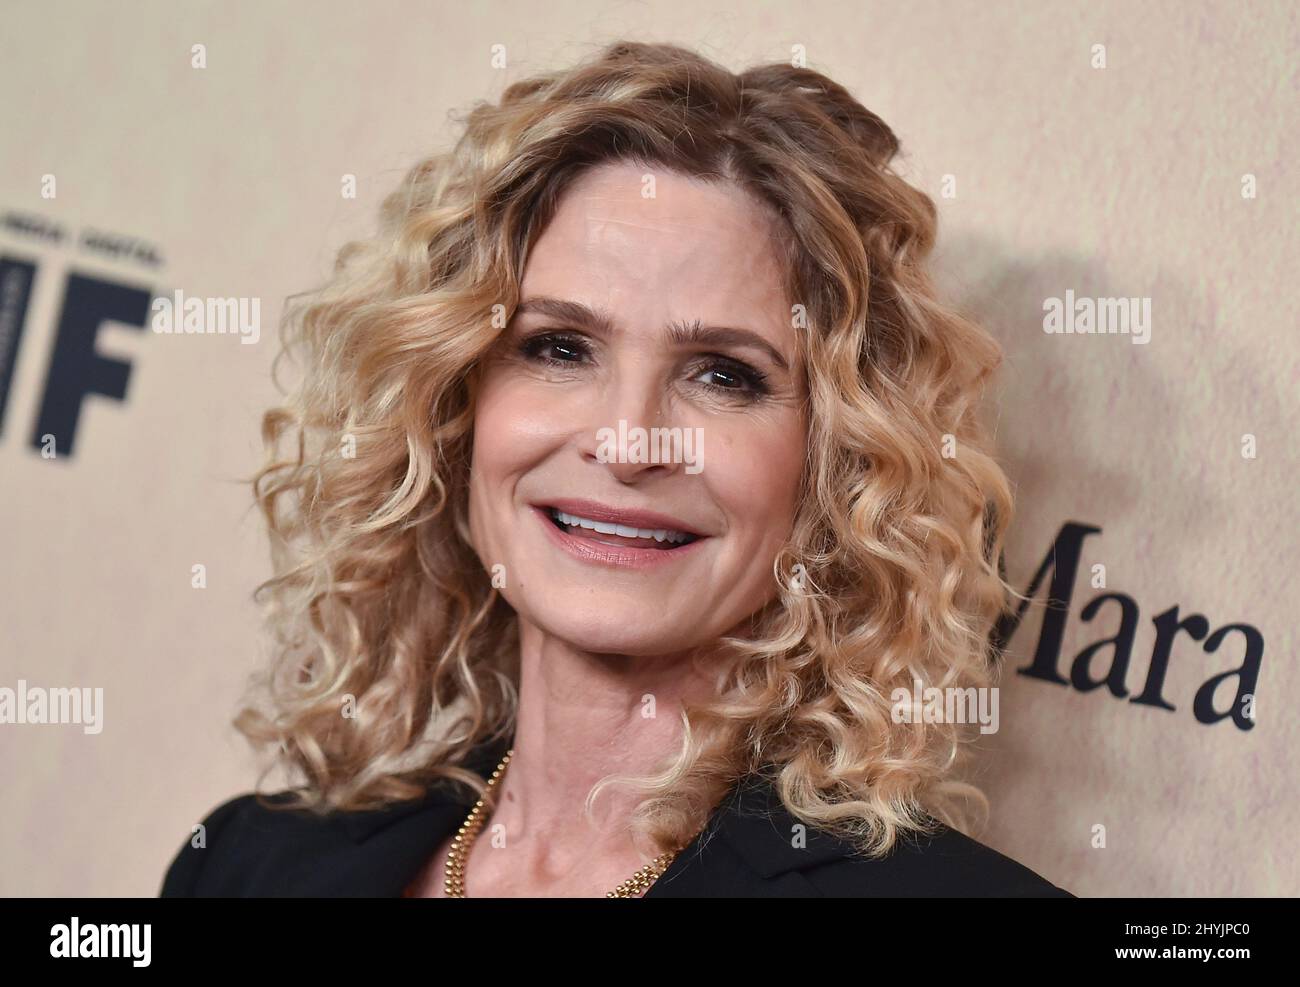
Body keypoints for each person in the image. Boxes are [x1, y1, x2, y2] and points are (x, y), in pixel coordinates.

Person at [161, 40, 1072, 898]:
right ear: (453, 406)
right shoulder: (249, 863)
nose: (630, 442)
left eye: (724, 375)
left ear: (835, 465)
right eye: (559, 349)